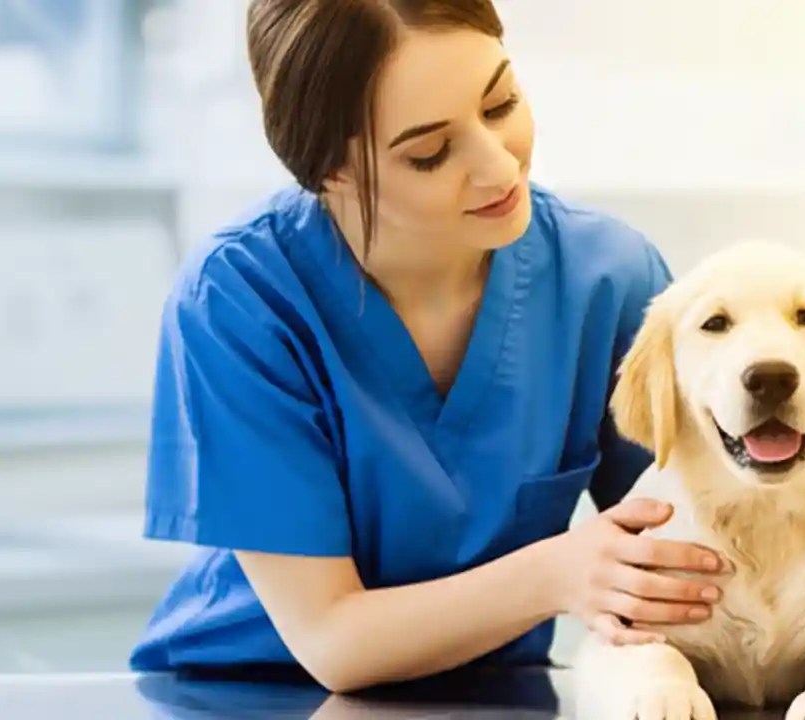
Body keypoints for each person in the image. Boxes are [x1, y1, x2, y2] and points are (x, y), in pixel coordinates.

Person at [128, 0, 726, 693]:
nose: (499, 167)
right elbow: (333, 640)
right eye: (430, 153)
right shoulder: (240, 300)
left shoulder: (607, 279)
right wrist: (558, 573)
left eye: (500, 103)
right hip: (250, 694)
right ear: (330, 171)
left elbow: (699, 542)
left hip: (499, 694)